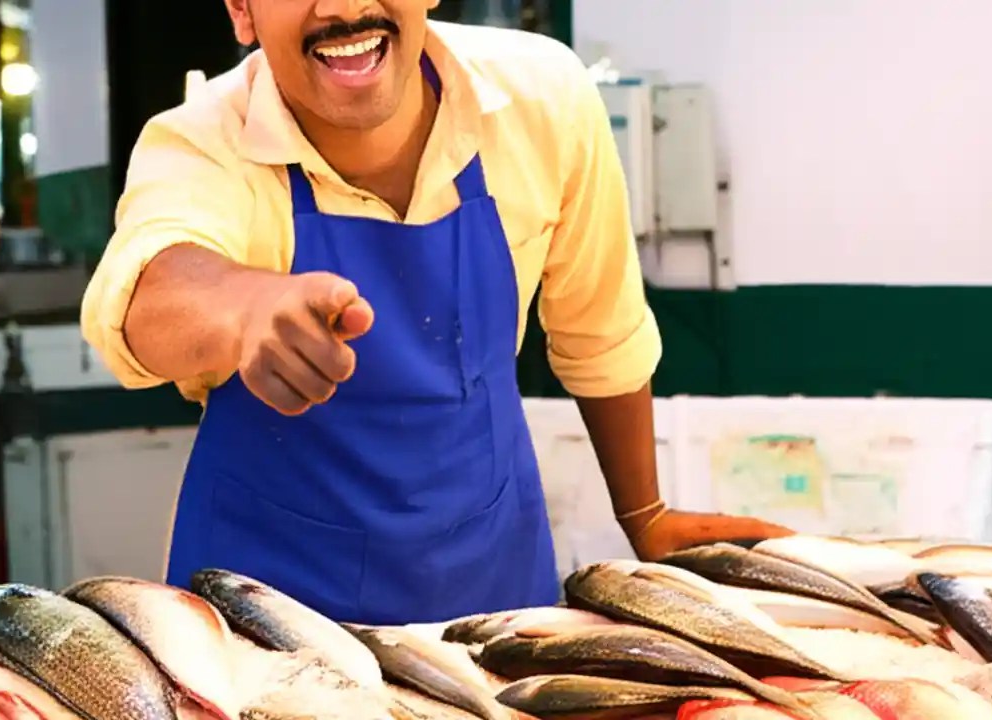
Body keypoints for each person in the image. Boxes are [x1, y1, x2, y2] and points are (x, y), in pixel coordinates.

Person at [80, 0, 794, 625]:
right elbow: (149, 282)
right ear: (242, 10)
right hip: (263, 613)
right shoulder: (201, 139)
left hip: (491, 591)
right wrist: (246, 304)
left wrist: (646, 517)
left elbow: (599, 329)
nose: (342, 6)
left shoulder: (540, 100)